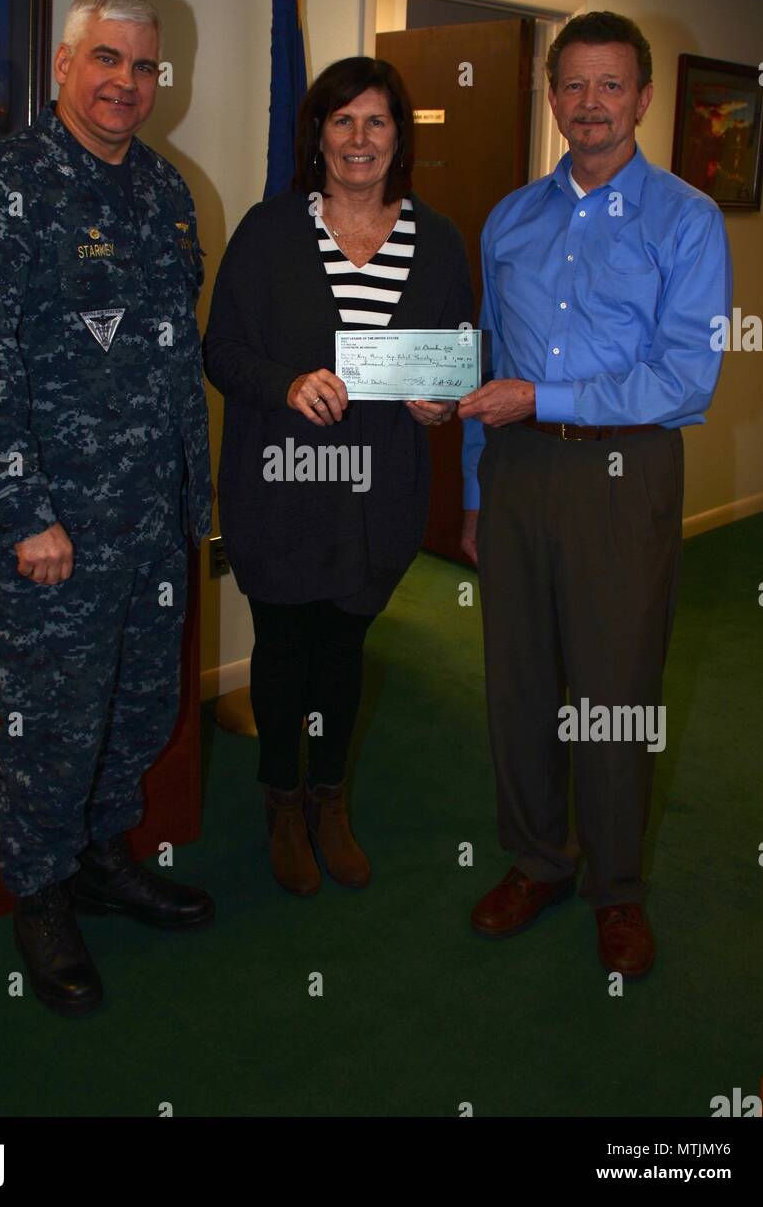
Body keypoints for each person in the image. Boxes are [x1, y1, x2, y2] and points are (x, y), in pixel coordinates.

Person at [0, 0, 214, 1017]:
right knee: (52, 722)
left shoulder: (165, 192)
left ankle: (101, 858)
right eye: (107, 61)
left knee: (138, 706)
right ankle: (38, 895)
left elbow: (173, 358)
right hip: (54, 531)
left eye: (144, 67)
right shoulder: (7, 186)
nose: (127, 84)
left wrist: (191, 503)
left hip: (150, 520)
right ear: (64, 68)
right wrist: (15, 513)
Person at [459, 10, 732, 978]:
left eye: (609, 85)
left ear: (644, 99)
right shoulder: (509, 218)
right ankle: (537, 859)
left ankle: (616, 888)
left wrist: (546, 395)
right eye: (571, 85)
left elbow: (684, 380)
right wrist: (474, 493)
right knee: (520, 681)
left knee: (613, 693)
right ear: (551, 96)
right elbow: (486, 359)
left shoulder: (686, 220)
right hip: (520, 473)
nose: (589, 105)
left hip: (626, 474)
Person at [204, 57, 472, 896]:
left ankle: (330, 800)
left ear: (400, 140)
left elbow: (451, 359)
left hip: (378, 490)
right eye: (342, 121)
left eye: (378, 122)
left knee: (345, 648)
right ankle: (281, 803)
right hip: (279, 483)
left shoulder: (438, 241)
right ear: (316, 135)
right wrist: (285, 383)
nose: (360, 138)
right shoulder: (269, 229)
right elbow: (221, 352)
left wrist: (441, 403)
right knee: (284, 650)